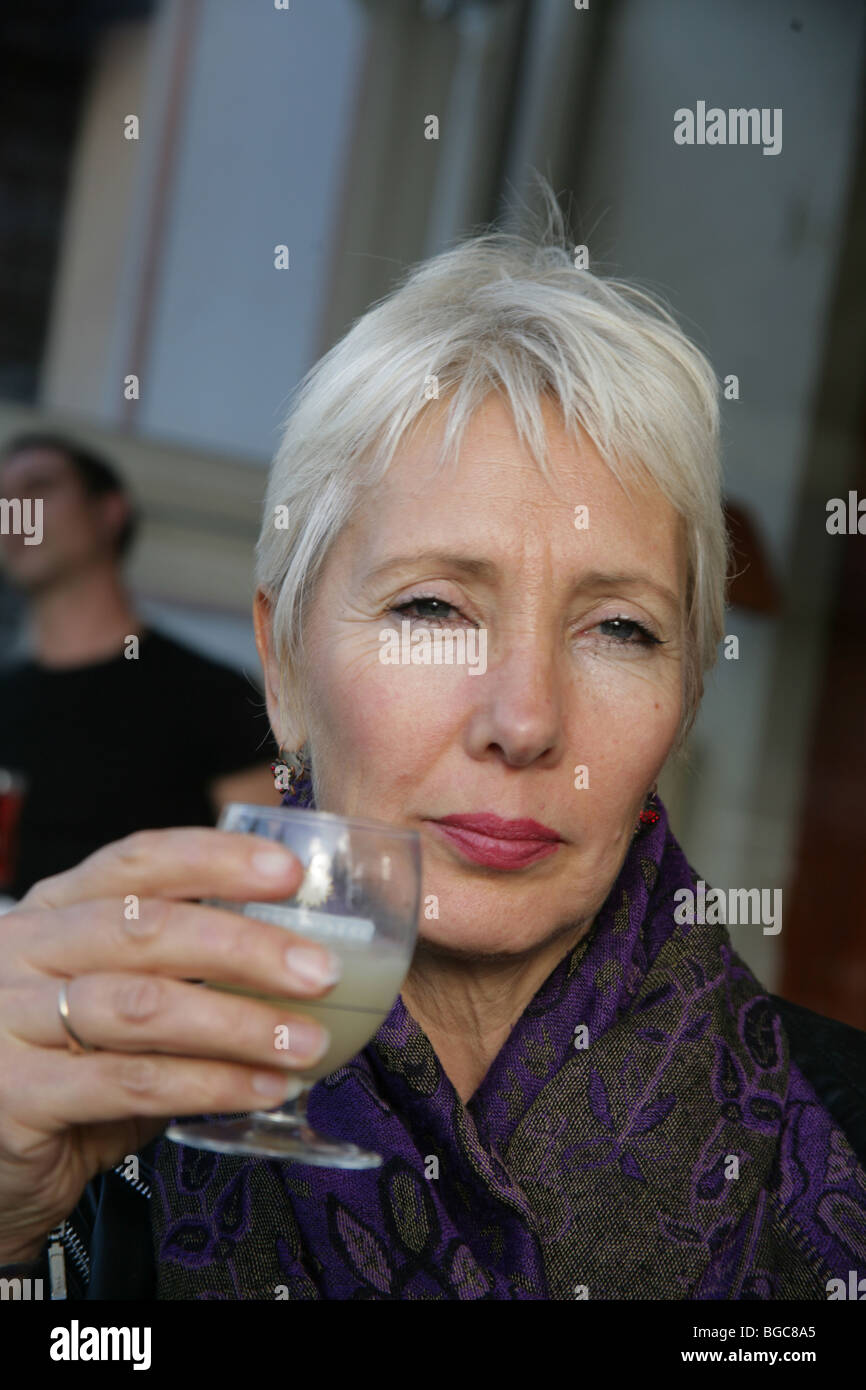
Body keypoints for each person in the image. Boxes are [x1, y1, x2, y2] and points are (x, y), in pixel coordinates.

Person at [0, 195, 864, 1301]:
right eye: (431, 608)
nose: (524, 719)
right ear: (285, 665)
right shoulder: (89, 1105)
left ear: (683, 695)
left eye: (618, 628)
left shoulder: (843, 1126)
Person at [0, 434, 278, 898]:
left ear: (110, 512)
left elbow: (268, 878)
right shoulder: (7, 696)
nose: (14, 512)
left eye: (38, 488)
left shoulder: (211, 695)